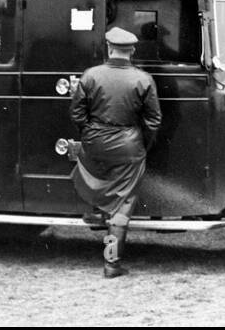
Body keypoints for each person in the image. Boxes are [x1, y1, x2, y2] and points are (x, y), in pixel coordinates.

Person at [69, 27, 162, 278]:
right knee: (123, 205)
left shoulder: (90, 76)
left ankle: (97, 213)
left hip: (94, 145)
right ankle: (111, 264)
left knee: (99, 186)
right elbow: (153, 120)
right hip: (128, 146)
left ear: (109, 49)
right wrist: (143, 145)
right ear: (131, 51)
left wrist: (89, 135)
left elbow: (77, 113)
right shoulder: (143, 79)